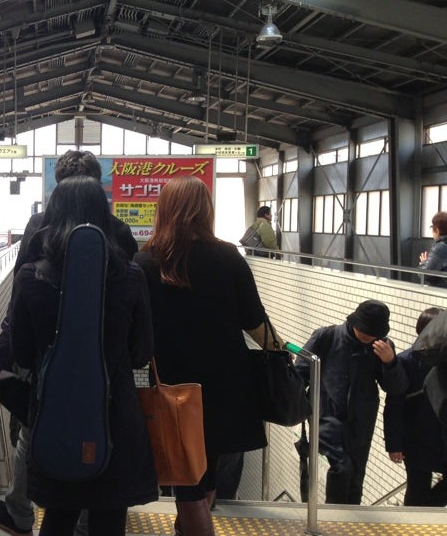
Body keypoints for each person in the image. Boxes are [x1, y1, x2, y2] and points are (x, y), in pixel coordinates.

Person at [0, 150, 137, 536]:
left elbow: (20, 309)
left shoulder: (39, 232)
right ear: (99, 189)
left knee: (32, 432)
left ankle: (21, 508)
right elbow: (139, 344)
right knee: (100, 444)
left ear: (58, 188)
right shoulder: (121, 237)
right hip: (107, 381)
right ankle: (89, 514)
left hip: (47, 369)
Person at [133, 176, 274, 535]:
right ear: (205, 211)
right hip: (225, 387)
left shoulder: (146, 262)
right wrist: (281, 350)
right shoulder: (228, 256)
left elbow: (134, 328)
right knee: (202, 481)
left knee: (188, 486)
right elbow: (256, 324)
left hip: (171, 389)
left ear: (163, 210)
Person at [296, 299, 406, 505]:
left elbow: (395, 388)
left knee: (356, 475)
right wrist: (298, 407)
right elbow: (300, 371)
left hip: (361, 421)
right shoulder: (326, 336)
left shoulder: (382, 346)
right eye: (363, 329)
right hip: (326, 413)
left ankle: (349, 521)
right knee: (342, 467)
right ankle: (334, 518)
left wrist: (390, 362)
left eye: (373, 332)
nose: (367, 335)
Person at [384, 307, 447, 506]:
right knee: (417, 487)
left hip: (441, 437)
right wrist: (394, 444)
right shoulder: (406, 360)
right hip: (416, 438)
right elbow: (394, 404)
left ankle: (427, 511)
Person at [419, 211, 447, 287]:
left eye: (432, 227)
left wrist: (424, 263)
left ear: (437, 231)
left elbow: (425, 275)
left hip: (441, 293)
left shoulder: (440, 248)